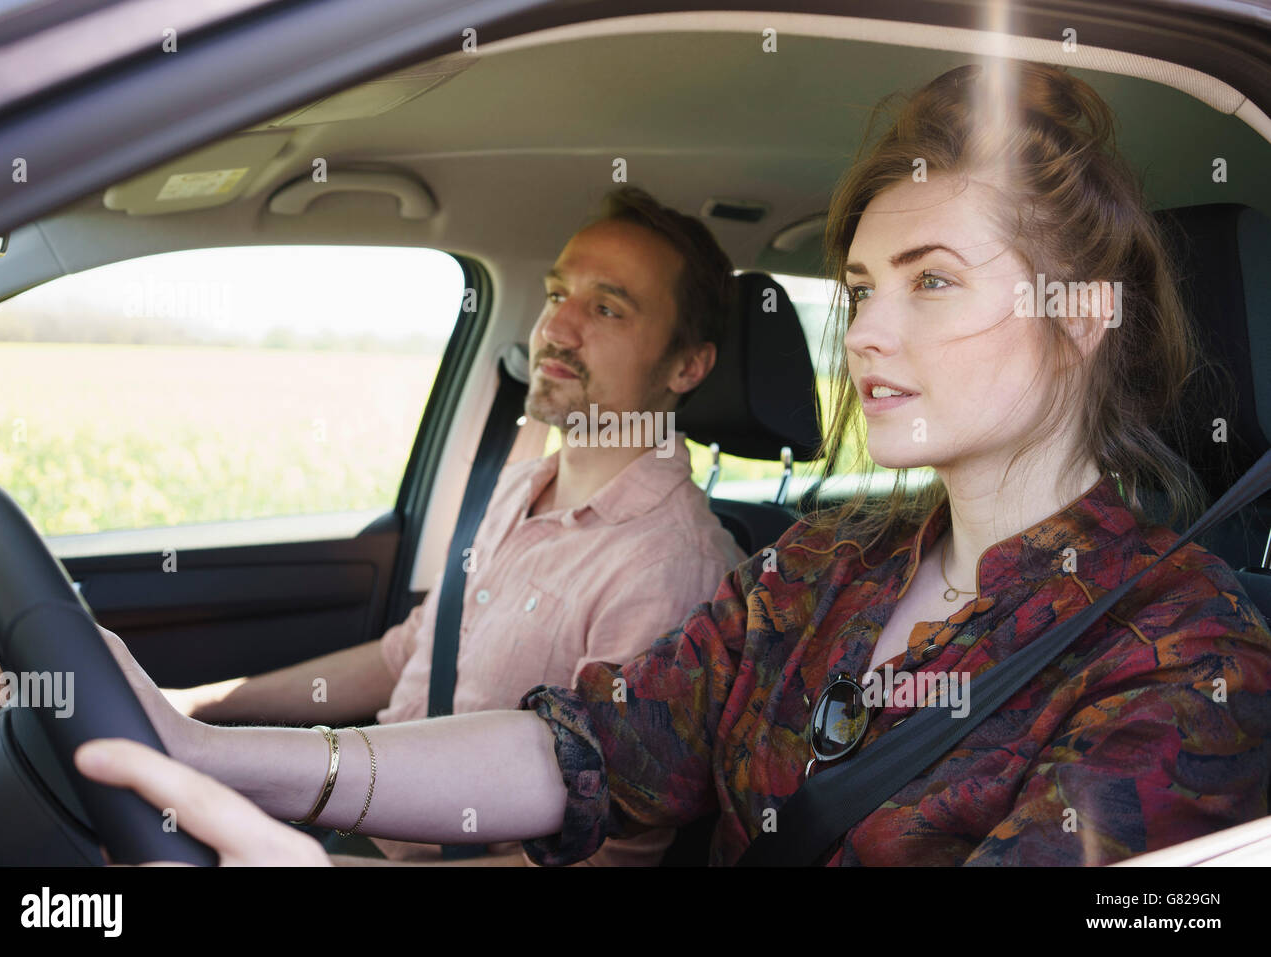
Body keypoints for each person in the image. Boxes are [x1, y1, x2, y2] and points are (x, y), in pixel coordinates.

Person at [78, 60, 1271, 866]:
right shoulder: (821, 565)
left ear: (1079, 316)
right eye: (858, 289)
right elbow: (584, 747)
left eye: (934, 283)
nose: (864, 332)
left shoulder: (1189, 660)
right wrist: (214, 753)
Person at [13, 186, 748, 867]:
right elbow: (408, 657)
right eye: (557, 294)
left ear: (687, 366)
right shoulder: (526, 485)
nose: (555, 326)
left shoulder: (670, 566)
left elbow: (607, 858)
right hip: (359, 823)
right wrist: (198, 706)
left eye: (608, 308)